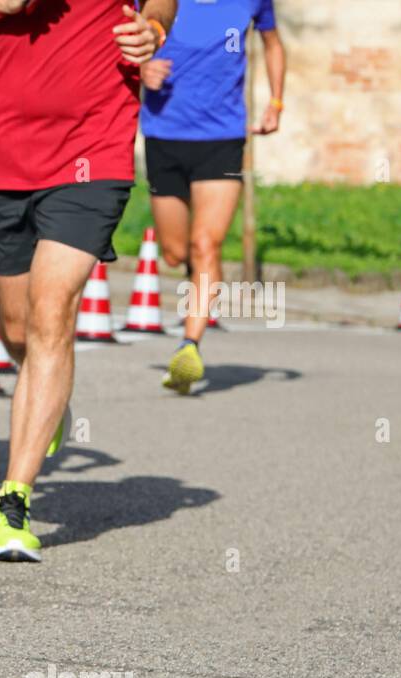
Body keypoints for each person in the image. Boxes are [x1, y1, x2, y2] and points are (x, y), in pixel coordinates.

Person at [0, 0, 176, 562]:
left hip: (93, 151)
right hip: (2, 151)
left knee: (52, 311)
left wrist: (152, 28)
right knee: (20, 329)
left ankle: (13, 500)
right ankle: (49, 400)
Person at [141, 0, 285, 395]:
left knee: (207, 243)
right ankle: (207, 284)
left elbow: (273, 43)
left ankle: (190, 345)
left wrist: (275, 102)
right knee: (175, 252)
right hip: (163, 135)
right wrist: (139, 68)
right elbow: (113, 44)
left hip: (222, 137)